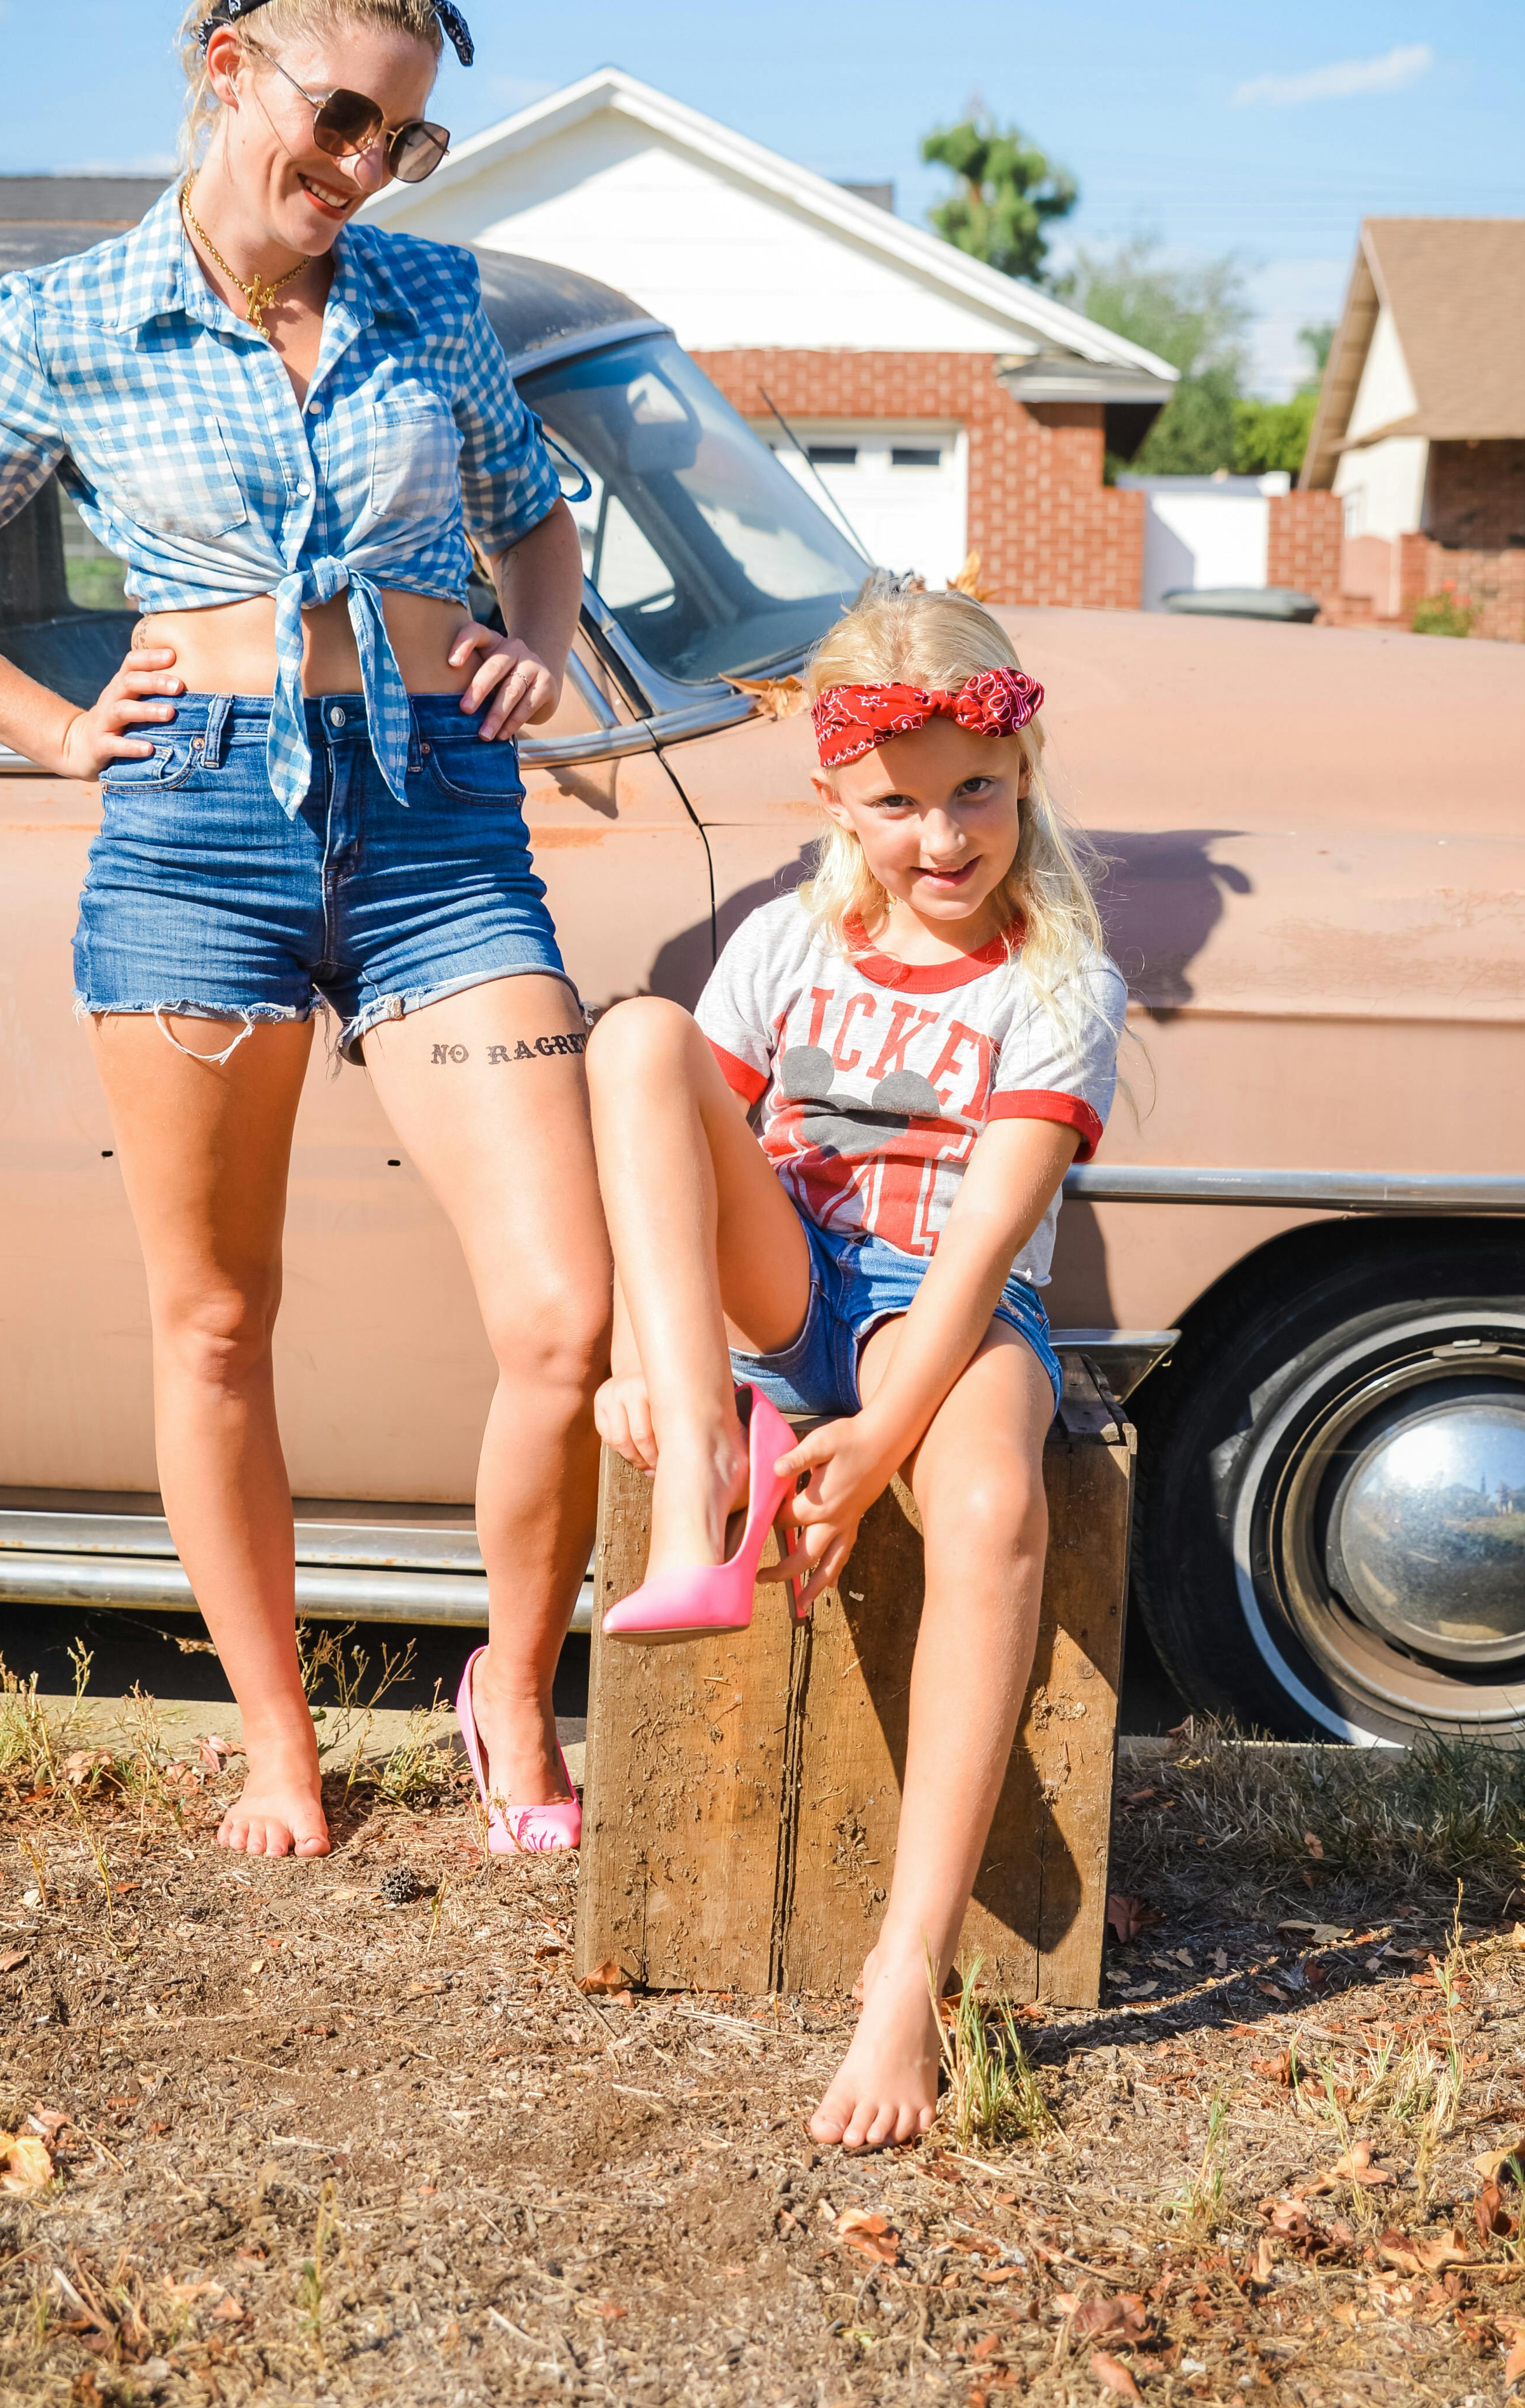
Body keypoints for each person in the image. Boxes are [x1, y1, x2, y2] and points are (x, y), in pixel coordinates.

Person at [0, 0, 608, 1862]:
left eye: (405, 141)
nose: (365, 169)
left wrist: (529, 643)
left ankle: (510, 1679)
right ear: (226, 69)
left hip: (437, 823)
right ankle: (276, 1742)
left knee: (563, 1316)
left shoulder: (432, 302)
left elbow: (534, 516)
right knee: (219, 1317)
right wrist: (59, 730)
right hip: (195, 833)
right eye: (345, 118)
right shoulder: (67, 319)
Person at [584, 577, 1125, 2147]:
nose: (944, 839)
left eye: (978, 795)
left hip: (938, 1309)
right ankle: (705, 1460)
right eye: (898, 805)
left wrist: (884, 1437)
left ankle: (909, 1967)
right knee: (632, 1035)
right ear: (833, 794)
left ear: (1024, 773)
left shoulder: (1057, 978)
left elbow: (978, 1253)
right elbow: (672, 1148)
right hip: (788, 1273)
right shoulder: (784, 940)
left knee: (992, 1510)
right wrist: (639, 1349)